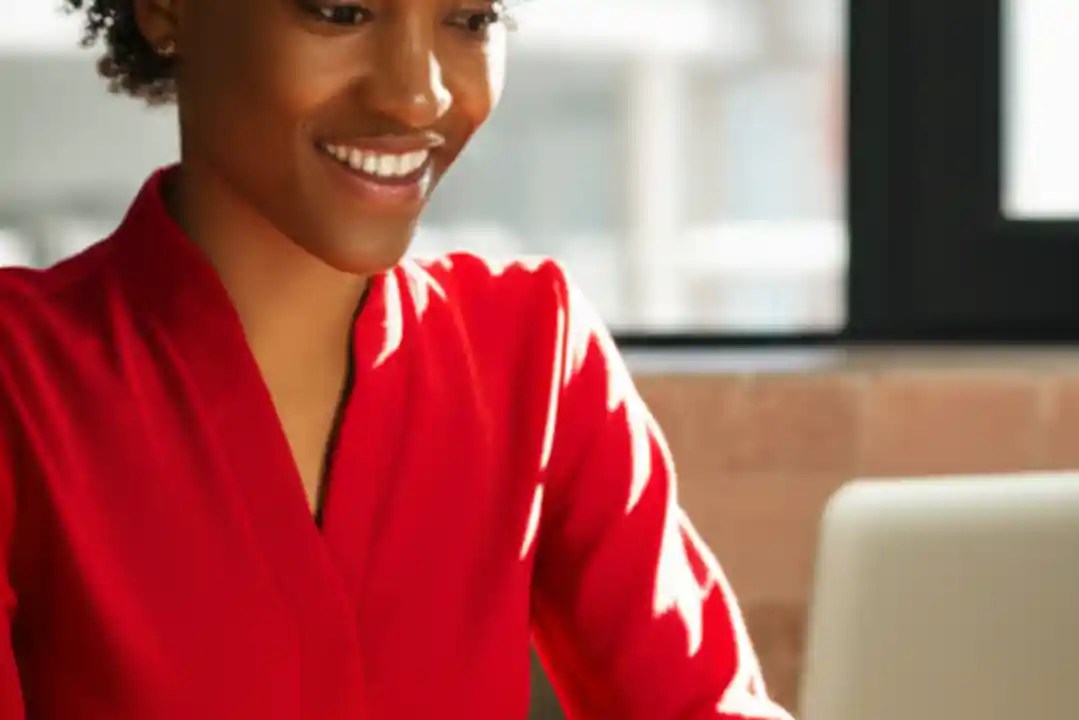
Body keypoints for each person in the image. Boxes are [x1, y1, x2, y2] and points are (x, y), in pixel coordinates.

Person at [0, 0, 793, 718]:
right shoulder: (21, 379)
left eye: (471, 21)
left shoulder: (531, 353)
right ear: (167, 8)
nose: (418, 96)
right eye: (342, 12)